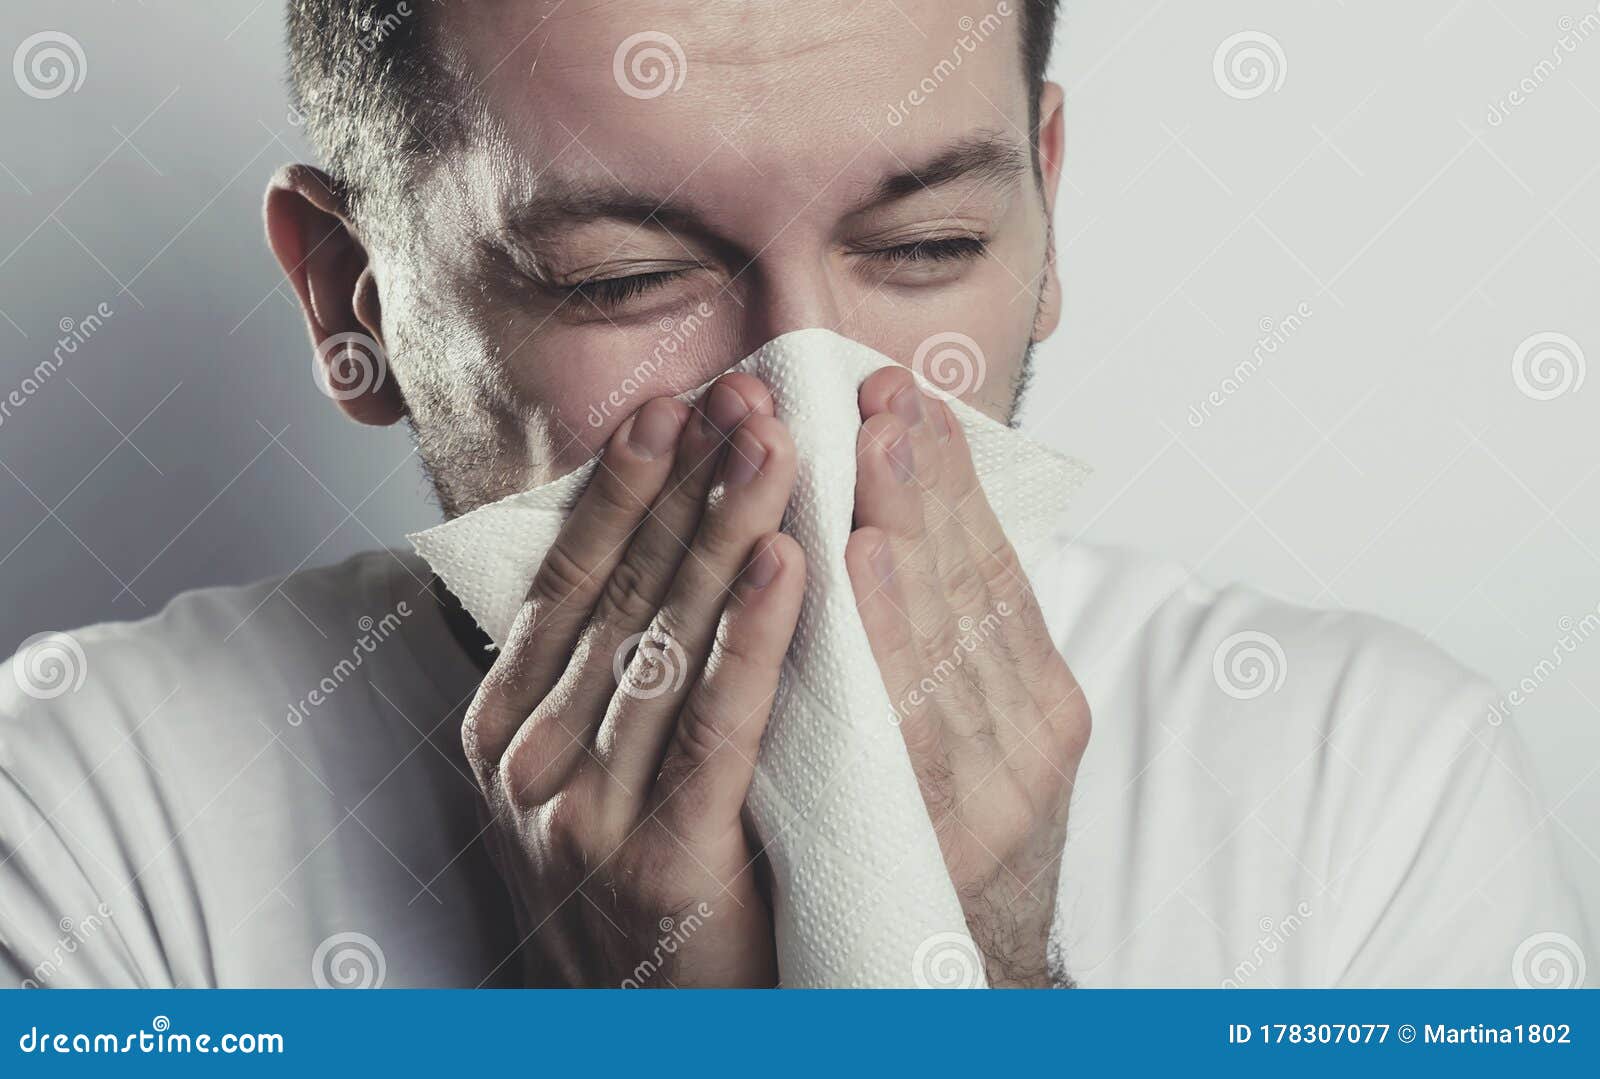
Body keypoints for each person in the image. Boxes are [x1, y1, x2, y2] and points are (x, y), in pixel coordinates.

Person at [0, 0, 1587, 989]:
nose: (794, 404)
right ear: (353, 300)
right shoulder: (82, 814)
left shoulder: (1367, 784)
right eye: (622, 278)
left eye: (923, 251)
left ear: (1047, 212)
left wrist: (994, 988)